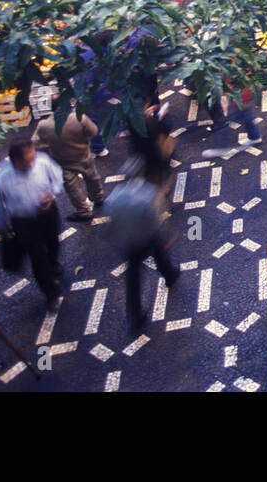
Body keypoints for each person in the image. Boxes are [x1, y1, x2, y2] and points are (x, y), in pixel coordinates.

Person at [0, 137, 65, 311]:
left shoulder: (43, 162)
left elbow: (57, 177)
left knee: (53, 242)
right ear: (17, 160)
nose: (34, 158)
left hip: (47, 214)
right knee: (37, 257)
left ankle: (53, 263)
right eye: (30, 156)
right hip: (23, 222)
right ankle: (51, 294)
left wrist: (52, 194)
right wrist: (2, 226)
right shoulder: (2, 178)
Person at [105, 169, 179, 334]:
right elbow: (155, 220)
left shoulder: (114, 198)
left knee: (133, 276)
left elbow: (111, 222)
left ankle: (135, 316)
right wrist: (166, 238)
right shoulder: (146, 194)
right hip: (148, 235)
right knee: (159, 255)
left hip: (129, 241)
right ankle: (169, 275)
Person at [33, 111, 106, 221]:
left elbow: (35, 143)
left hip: (63, 161)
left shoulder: (44, 125)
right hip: (84, 156)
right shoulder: (79, 117)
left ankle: (83, 211)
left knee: (73, 188)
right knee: (92, 177)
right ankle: (98, 197)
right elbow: (93, 132)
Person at [202, 85, 263, 160]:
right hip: (240, 100)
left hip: (238, 101)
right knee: (247, 118)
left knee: (224, 125)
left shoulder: (235, 78)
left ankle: (220, 148)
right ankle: (255, 137)